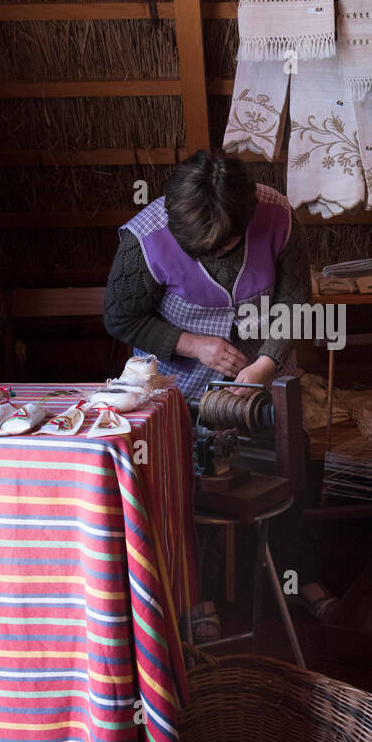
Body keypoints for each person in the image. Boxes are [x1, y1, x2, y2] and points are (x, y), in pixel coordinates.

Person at [104, 153, 330, 637]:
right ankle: (195, 593)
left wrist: (265, 365)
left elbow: (295, 301)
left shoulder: (277, 215)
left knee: (290, 464)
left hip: (265, 362)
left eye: (224, 245)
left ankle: (299, 577)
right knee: (185, 482)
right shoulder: (144, 238)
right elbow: (121, 318)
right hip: (180, 376)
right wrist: (193, 345)